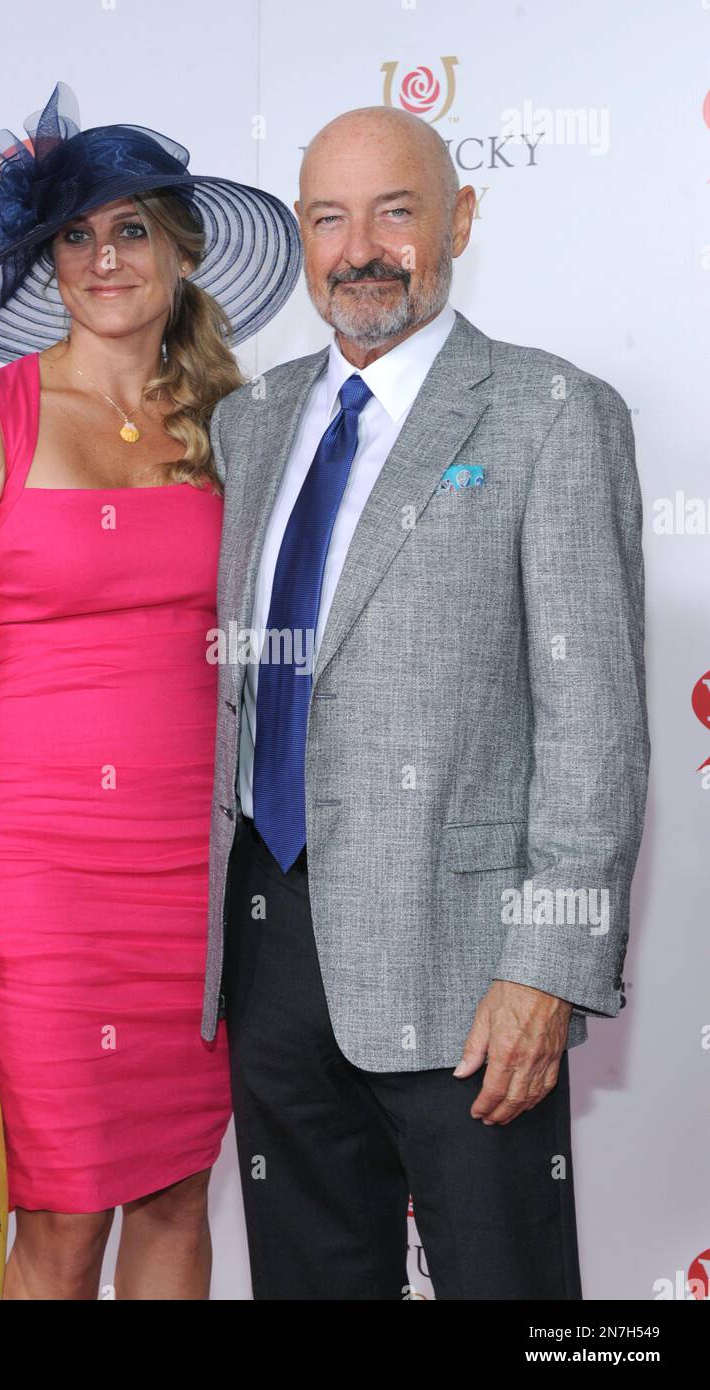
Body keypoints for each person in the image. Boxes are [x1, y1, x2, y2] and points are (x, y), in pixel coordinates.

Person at [200, 104, 650, 1299]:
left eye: (394, 211)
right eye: (328, 218)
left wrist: (545, 967)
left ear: (458, 217)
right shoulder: (250, 423)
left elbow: (594, 726)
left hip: (468, 976)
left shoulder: (550, 413)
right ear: (298, 239)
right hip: (270, 947)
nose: (359, 249)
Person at [0, 80, 300, 1301]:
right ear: (43, 260)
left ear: (180, 249)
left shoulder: (233, 425)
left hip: (199, 872)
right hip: (46, 882)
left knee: (177, 1190)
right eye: (74, 235)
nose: (103, 259)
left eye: (129, 230)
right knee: (64, 1212)